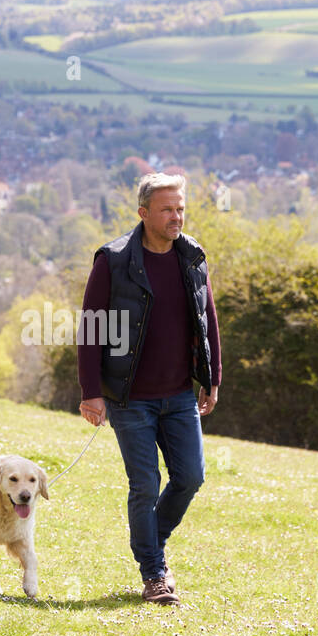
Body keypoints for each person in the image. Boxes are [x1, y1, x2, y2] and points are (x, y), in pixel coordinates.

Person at [77, 172, 221, 605]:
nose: (176, 216)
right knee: (144, 483)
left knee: (191, 477)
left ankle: (150, 540)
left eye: (180, 208)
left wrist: (212, 379)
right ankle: (154, 575)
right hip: (129, 396)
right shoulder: (114, 260)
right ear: (144, 213)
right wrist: (90, 390)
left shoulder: (192, 255)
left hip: (179, 394)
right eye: (167, 209)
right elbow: (90, 328)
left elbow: (208, 319)